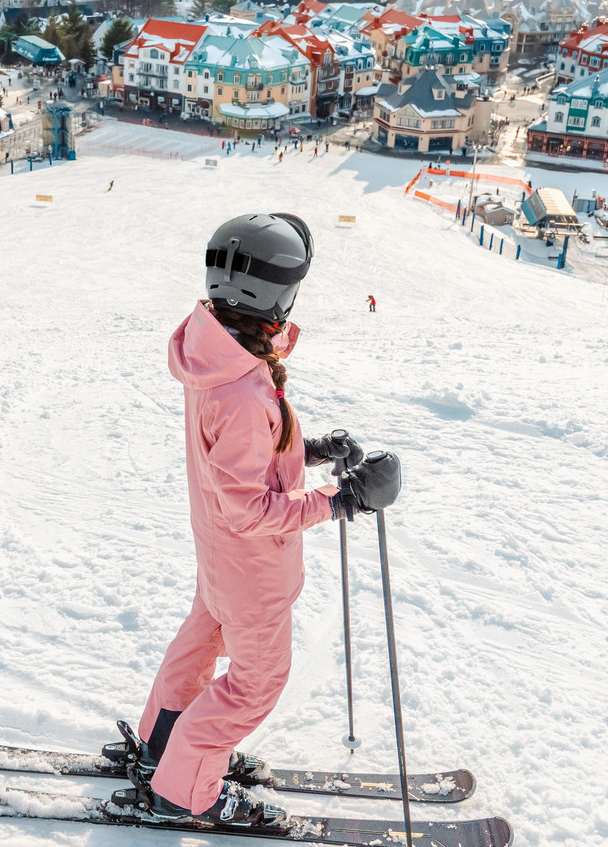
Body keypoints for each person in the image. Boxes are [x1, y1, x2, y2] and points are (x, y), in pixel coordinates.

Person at [114, 213, 405, 830]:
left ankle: (164, 746)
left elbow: (237, 463)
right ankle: (186, 789)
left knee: (200, 644)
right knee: (256, 682)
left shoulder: (215, 356)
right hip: (251, 568)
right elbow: (248, 506)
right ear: (279, 297)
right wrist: (341, 500)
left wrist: (312, 448)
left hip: (220, 558)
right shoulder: (245, 391)